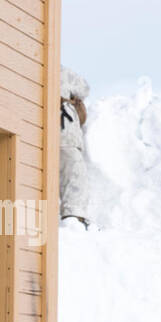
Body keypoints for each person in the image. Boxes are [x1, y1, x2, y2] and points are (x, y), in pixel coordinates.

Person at [60, 66, 91, 228]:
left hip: (45, 133)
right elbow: (84, 88)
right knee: (75, 173)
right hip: (65, 133)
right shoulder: (61, 72)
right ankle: (74, 215)